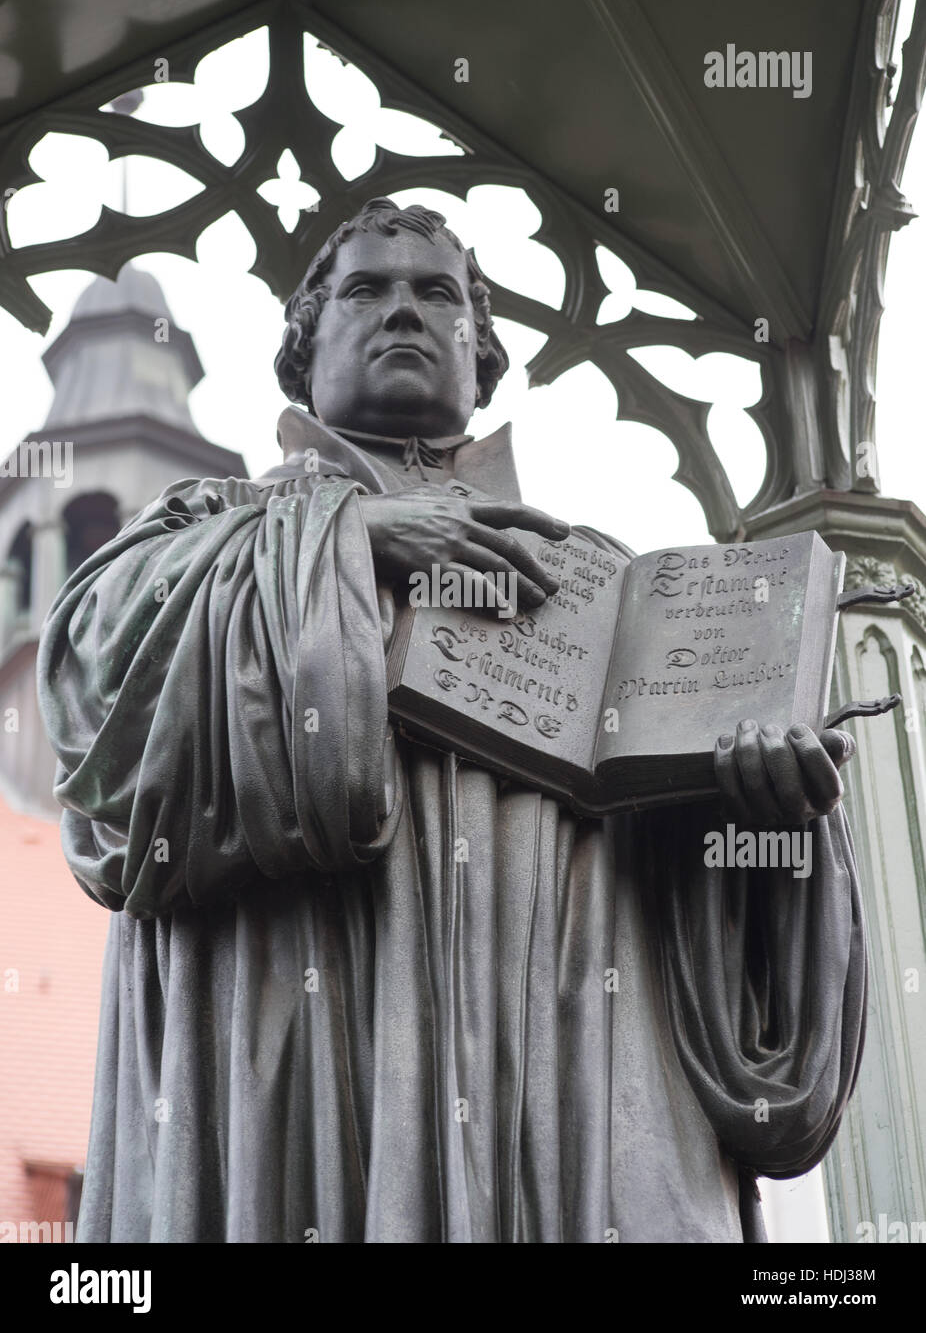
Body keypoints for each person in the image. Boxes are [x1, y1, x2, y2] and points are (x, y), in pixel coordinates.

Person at [36, 199, 865, 1243]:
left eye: (436, 294)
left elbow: (698, 905)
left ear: (480, 353)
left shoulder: (610, 584)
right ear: (304, 351)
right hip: (302, 1050)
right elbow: (95, 714)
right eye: (365, 290)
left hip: (573, 1062)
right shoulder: (209, 532)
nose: (402, 312)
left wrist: (769, 820)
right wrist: (348, 538)